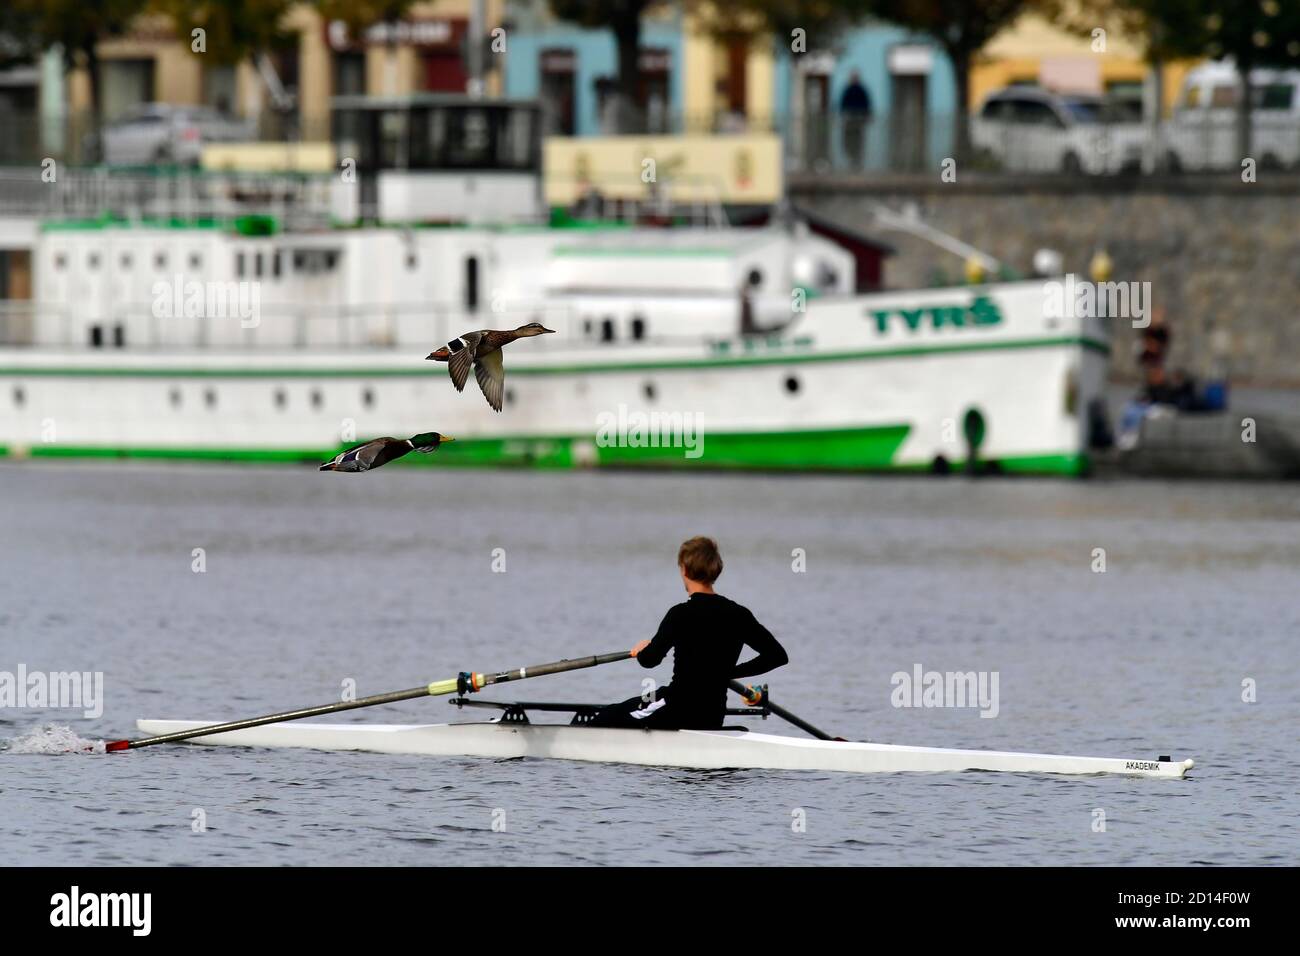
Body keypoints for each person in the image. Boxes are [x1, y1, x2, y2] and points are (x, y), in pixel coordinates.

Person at [584, 537, 788, 731]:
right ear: (716, 570)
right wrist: (727, 672)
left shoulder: (680, 614)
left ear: (684, 569)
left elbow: (650, 660)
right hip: (712, 716)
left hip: (675, 708)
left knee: (603, 718)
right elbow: (776, 656)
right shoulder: (739, 614)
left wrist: (642, 650)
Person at [839, 71, 873, 169]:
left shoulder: (861, 90)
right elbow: (843, 105)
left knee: (859, 142)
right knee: (849, 142)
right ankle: (851, 160)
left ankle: (857, 161)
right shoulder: (848, 90)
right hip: (849, 121)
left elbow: (866, 104)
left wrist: (867, 116)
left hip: (859, 121)